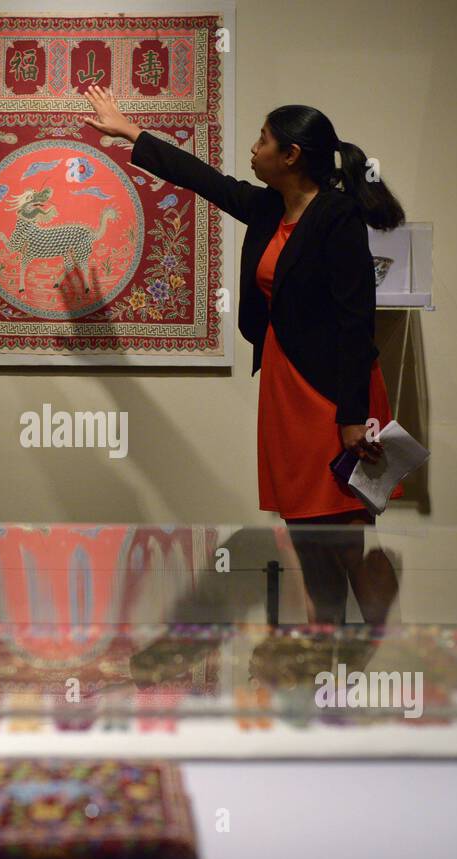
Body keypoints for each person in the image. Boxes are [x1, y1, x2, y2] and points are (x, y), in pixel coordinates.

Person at [83, 87, 403, 629]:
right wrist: (132, 132)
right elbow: (203, 180)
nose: (253, 151)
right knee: (305, 524)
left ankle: (358, 640)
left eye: (263, 140)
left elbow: (356, 323)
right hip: (287, 383)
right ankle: (323, 640)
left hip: (333, 390)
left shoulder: (337, 218)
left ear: (292, 156)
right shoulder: (268, 207)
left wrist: (351, 417)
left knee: (340, 528)